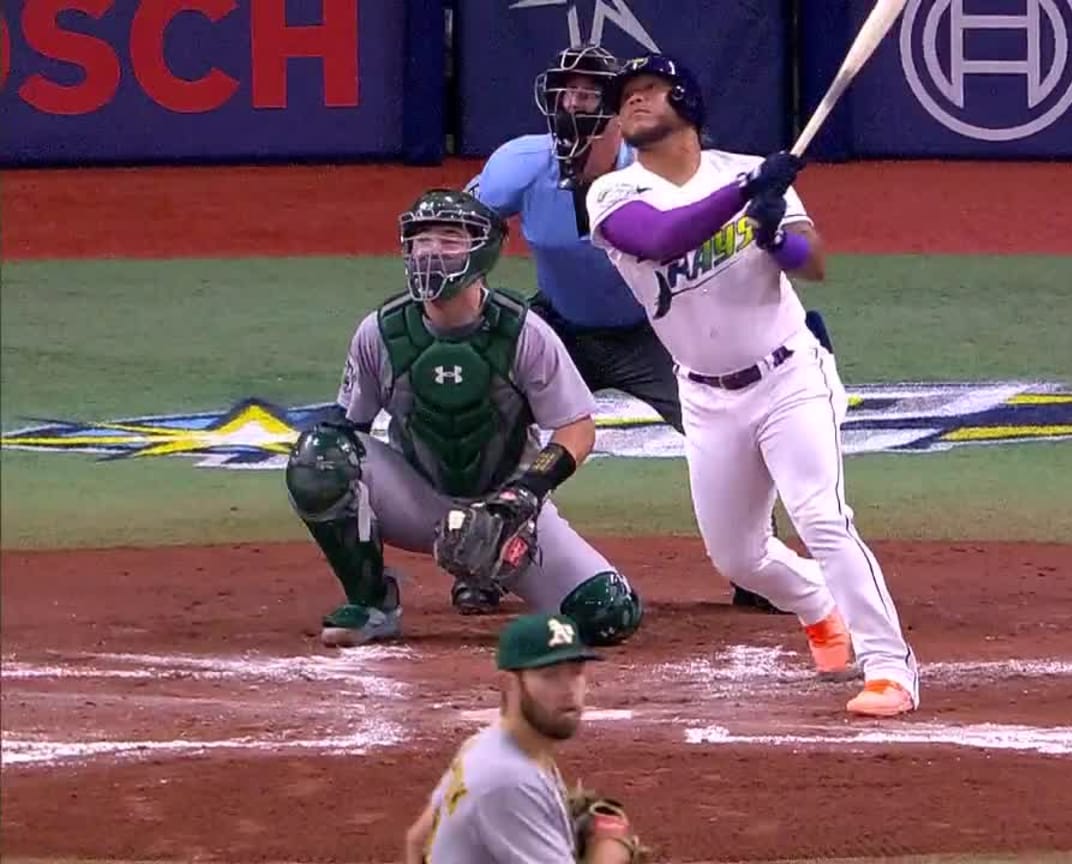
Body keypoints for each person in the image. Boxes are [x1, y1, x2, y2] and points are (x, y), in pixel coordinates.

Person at [584, 54, 919, 717]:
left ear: (687, 99)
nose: (633, 103)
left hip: (789, 372)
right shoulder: (612, 195)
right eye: (624, 99)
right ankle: (818, 604)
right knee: (738, 557)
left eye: (647, 90)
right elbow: (659, 238)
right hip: (705, 396)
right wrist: (748, 197)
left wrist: (773, 236)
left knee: (821, 514)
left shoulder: (747, 173)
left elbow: (812, 260)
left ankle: (890, 667)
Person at [465, 44, 829, 615]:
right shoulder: (520, 162)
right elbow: (464, 231)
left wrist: (757, 205)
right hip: (560, 326)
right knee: (489, 418)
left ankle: (758, 566)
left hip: (653, 335)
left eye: (591, 92)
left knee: (739, 435)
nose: (576, 102)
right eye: (569, 91)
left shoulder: (646, 170)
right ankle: (488, 557)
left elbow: (668, 232)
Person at [283, 188, 643, 648]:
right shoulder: (381, 332)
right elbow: (348, 426)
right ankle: (372, 602)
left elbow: (577, 428)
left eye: (450, 238)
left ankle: (500, 569)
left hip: (507, 509)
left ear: (484, 250)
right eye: (421, 239)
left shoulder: (524, 332)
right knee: (321, 457)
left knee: (608, 614)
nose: (431, 251)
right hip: (418, 500)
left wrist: (523, 495)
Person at [404, 612, 647, 863]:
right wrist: (610, 847)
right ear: (510, 684)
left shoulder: (488, 745)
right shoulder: (509, 780)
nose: (568, 690)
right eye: (550, 675)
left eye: (576, 671)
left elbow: (417, 841)